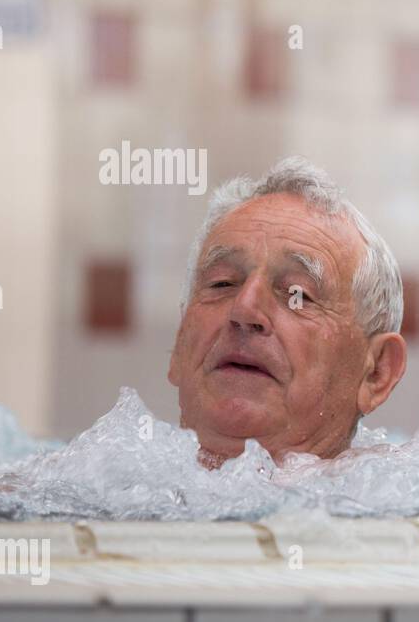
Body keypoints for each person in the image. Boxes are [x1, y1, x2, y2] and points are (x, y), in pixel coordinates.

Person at [168, 157, 406, 467]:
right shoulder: (104, 482)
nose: (244, 309)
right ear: (179, 344)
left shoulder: (410, 505)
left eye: (298, 294)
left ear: (377, 373)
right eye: (221, 283)